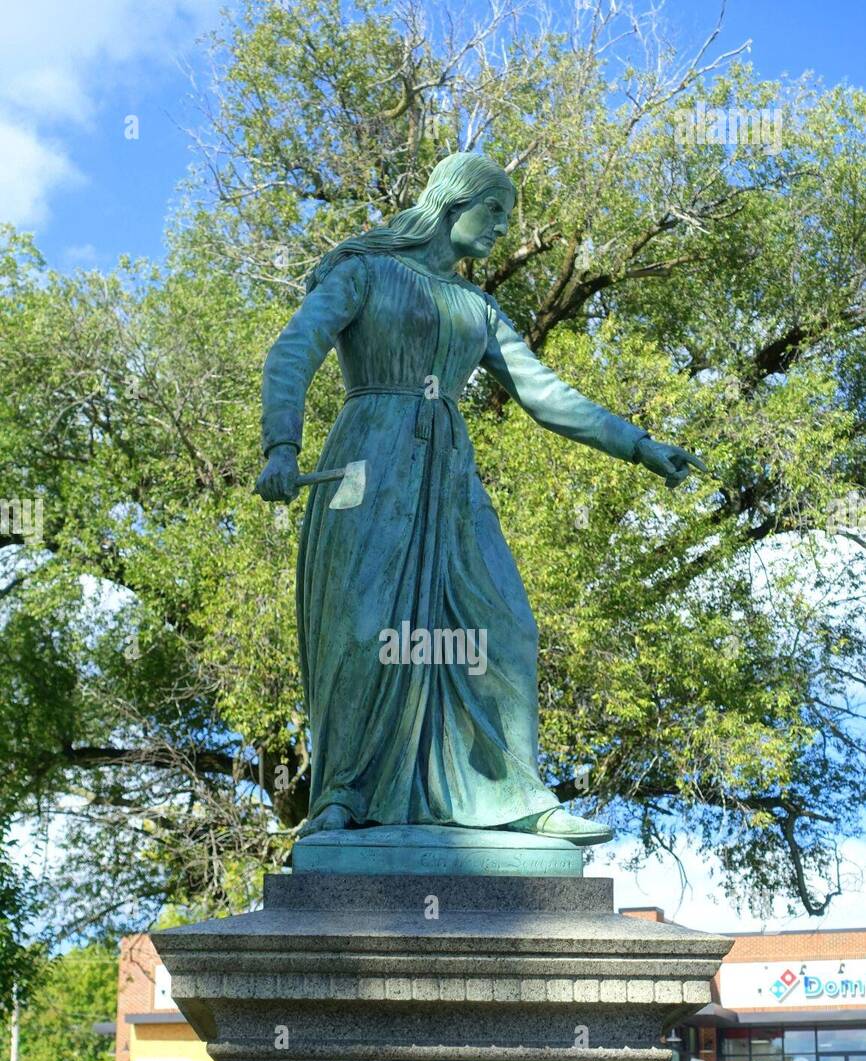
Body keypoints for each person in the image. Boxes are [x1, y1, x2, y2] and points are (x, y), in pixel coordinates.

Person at [256, 152, 703, 843]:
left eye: (506, 215)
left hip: (450, 481)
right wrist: (280, 444)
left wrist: (639, 445)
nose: (500, 226)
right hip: (368, 467)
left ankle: (516, 793)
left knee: (503, 626)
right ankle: (340, 796)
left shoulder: (479, 309)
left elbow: (545, 394)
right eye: (491, 210)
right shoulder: (364, 273)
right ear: (450, 204)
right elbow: (294, 351)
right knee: (360, 629)